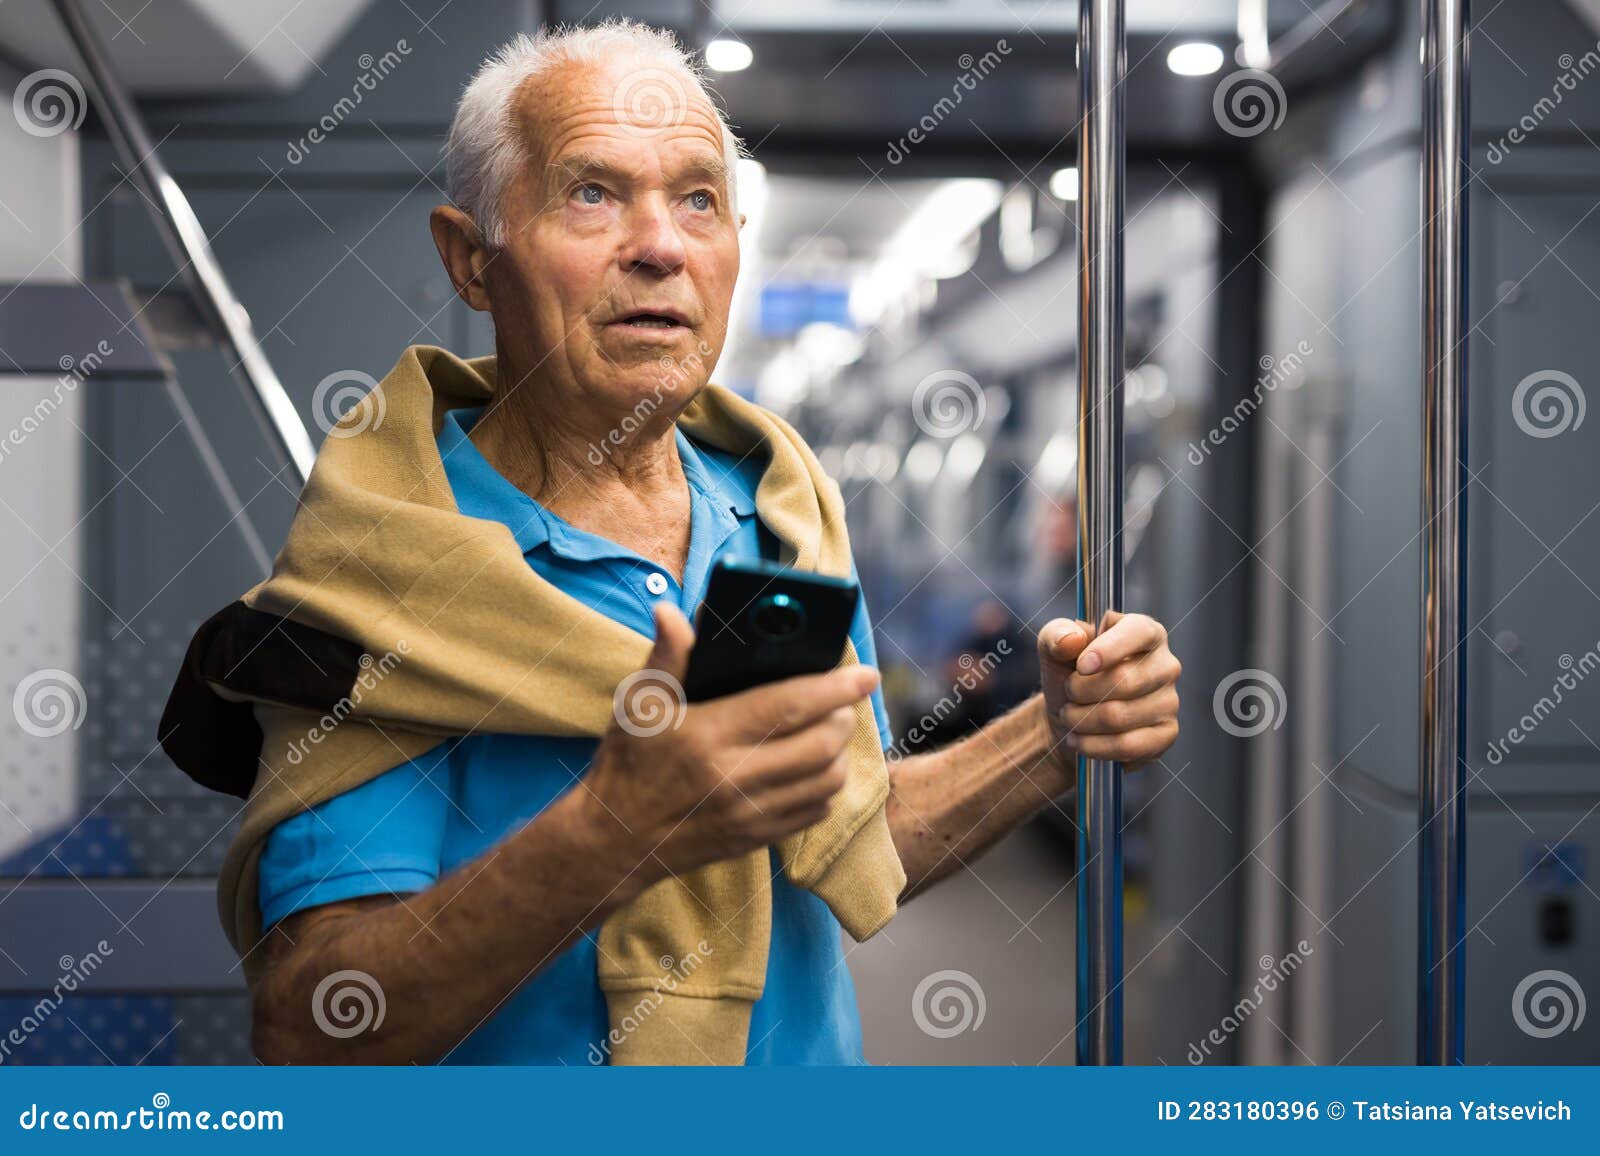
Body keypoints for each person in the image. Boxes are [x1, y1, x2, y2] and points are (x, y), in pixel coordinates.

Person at [170, 20, 1181, 1066]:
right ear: (471, 259)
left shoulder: (775, 504)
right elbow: (311, 1023)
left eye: (699, 198)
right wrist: (613, 830)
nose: (660, 244)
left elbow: (844, 825)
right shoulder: (393, 563)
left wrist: (1051, 735)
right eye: (591, 193)